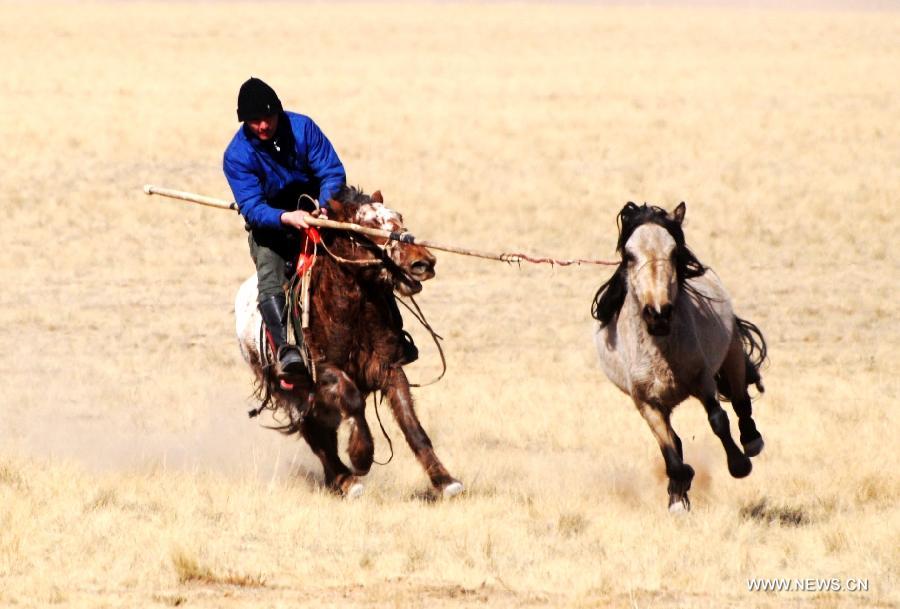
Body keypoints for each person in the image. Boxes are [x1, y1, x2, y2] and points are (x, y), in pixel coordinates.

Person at [223, 77, 346, 378]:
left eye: (268, 117)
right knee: (270, 274)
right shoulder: (236, 156)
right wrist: (286, 218)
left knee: (364, 256)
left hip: (320, 214)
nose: (263, 125)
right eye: (254, 121)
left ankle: (392, 337)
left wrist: (325, 205)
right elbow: (252, 207)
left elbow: (331, 171)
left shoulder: (303, 128)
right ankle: (286, 349)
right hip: (272, 227)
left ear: (279, 111)